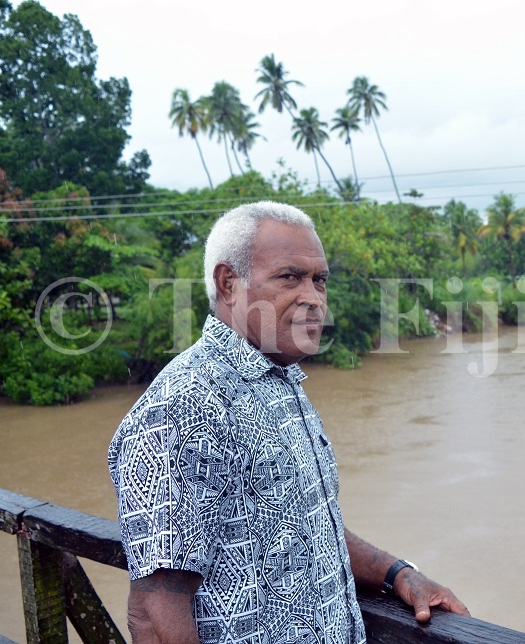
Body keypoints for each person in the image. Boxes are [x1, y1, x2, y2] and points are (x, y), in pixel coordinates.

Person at [108, 201, 469, 643]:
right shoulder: (187, 403)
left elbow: (307, 525)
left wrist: (398, 574)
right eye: (289, 277)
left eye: (320, 280)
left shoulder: (279, 380)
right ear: (228, 284)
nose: (314, 298)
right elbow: (152, 608)